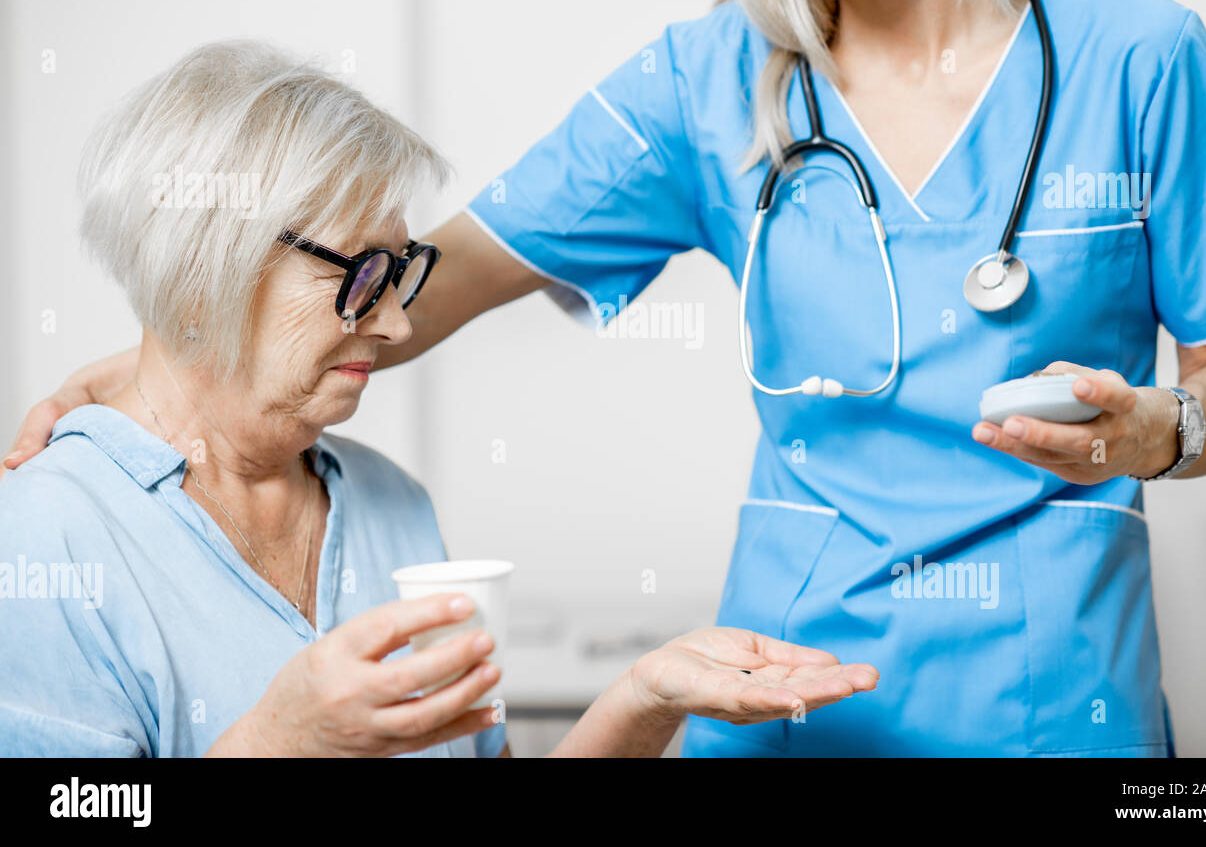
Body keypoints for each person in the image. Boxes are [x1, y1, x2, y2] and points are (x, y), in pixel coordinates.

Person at [8, 0, 1206, 756]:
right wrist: (175, 349)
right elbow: (413, 277)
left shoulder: (1138, 58)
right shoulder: (711, 78)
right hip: (777, 684)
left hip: (1047, 694)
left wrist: (1161, 431)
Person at [0, 41, 878, 757]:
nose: (395, 326)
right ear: (205, 271)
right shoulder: (44, 536)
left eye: (402, 272)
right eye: (363, 276)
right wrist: (281, 743)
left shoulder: (389, 505)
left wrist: (644, 698)